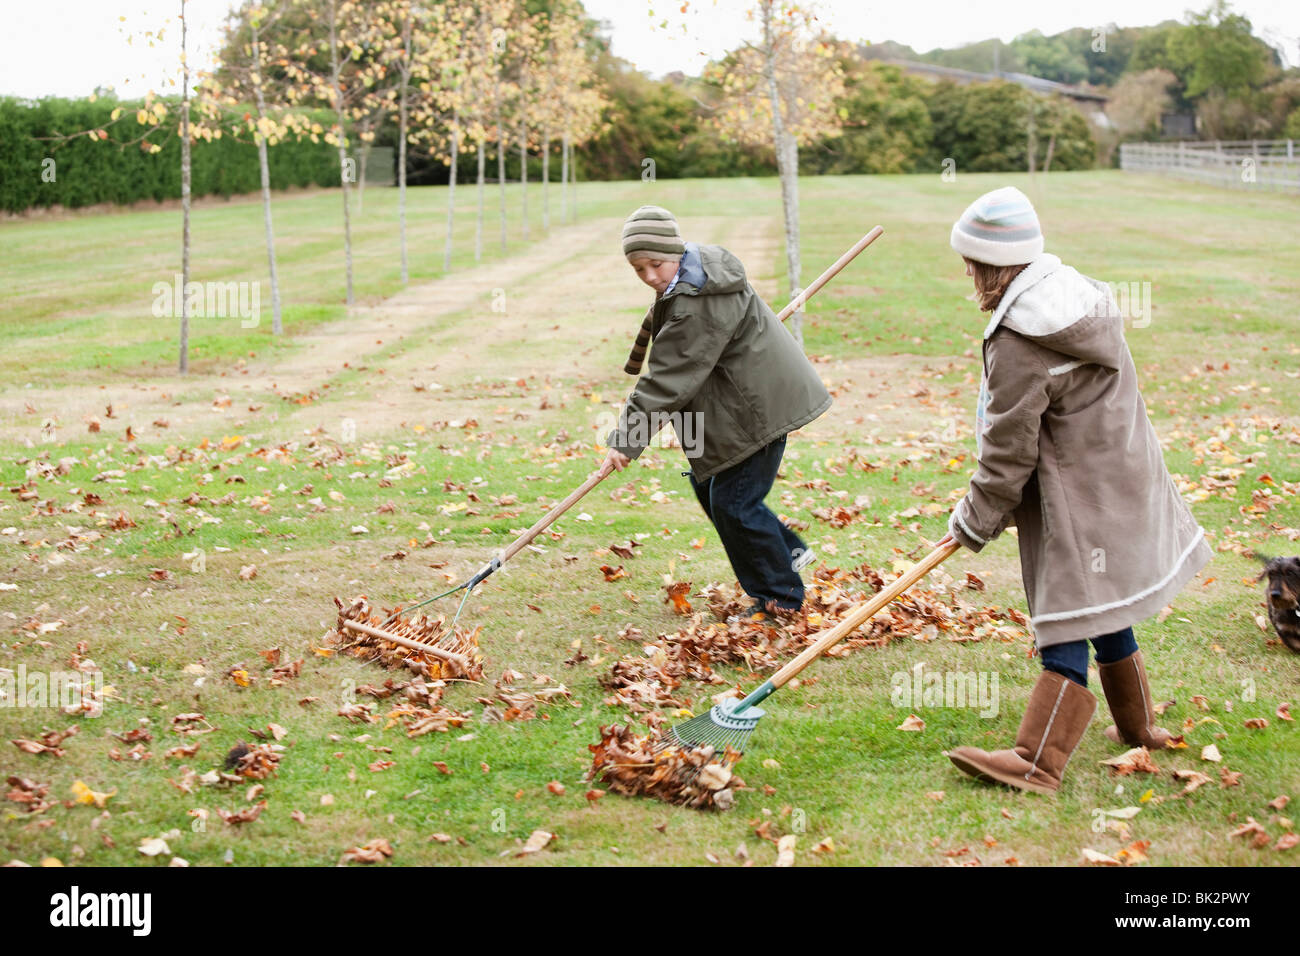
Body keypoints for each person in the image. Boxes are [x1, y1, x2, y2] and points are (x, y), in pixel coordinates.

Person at [938, 186, 1212, 794]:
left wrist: (974, 519)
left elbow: (1008, 451)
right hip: (1124, 477)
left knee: (1065, 610)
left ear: (990, 264)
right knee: (1101, 594)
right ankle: (1139, 726)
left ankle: (1038, 760)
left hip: (1078, 492)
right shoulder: (1076, 297)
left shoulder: (1019, 341)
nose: (966, 273)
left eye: (970, 262)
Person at [599, 205, 830, 614]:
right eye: (639, 270)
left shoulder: (696, 300)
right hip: (740, 400)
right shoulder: (694, 277)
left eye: (655, 264)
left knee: (734, 503)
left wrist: (626, 440)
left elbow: (665, 381)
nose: (650, 276)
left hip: (758, 408)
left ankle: (779, 597)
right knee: (710, 487)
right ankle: (788, 551)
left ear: (675, 252)